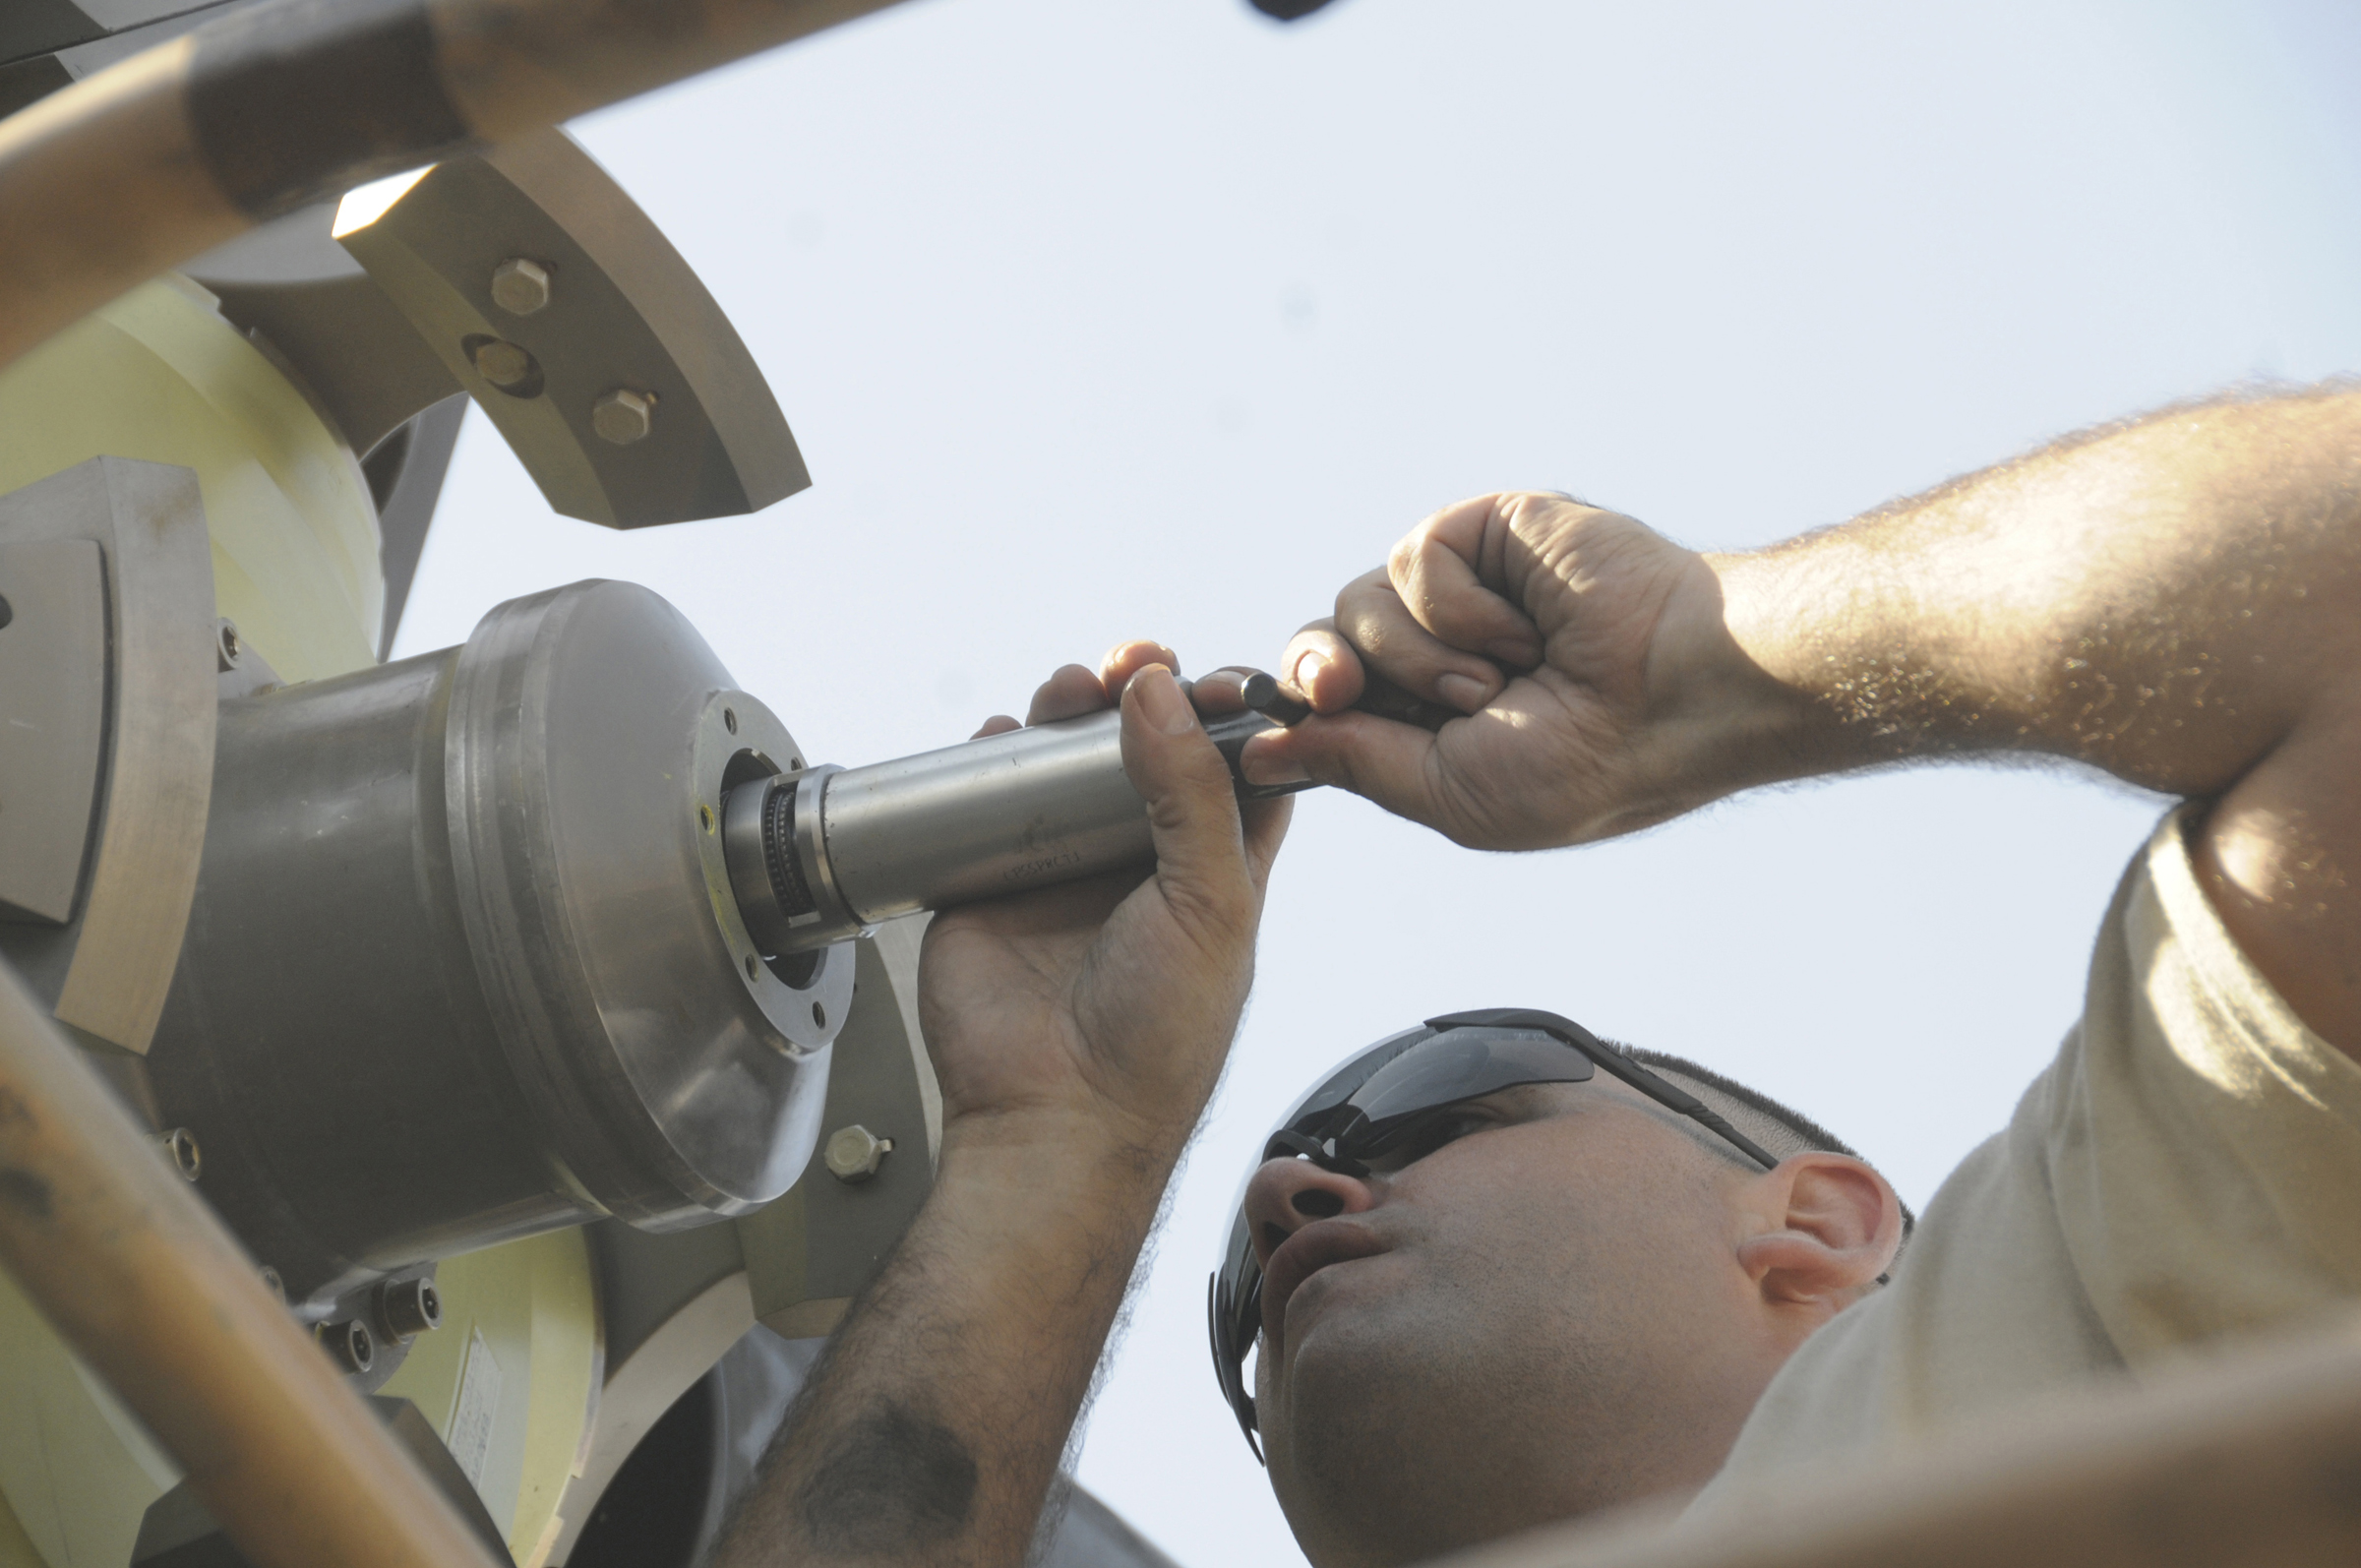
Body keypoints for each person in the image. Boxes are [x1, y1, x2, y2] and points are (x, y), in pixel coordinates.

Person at [713, 383, 2361, 1568]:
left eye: (1426, 1104)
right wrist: (1060, 1143)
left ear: (1819, 1226)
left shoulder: (2051, 1387)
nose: (1287, 1188)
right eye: (1234, 1323)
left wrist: (1708, 665)